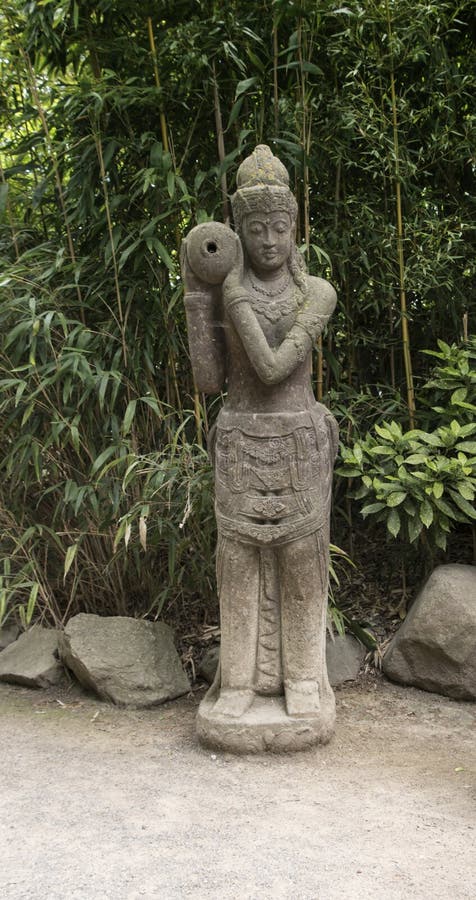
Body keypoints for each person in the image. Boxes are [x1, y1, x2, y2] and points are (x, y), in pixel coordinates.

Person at [182, 145, 338, 726]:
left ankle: (301, 678)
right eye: (255, 228)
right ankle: (238, 684)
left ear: (294, 226)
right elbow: (207, 380)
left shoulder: (316, 292)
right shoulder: (226, 291)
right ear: (239, 232)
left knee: (302, 558)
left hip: (299, 438)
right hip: (240, 439)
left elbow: (274, 370)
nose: (269, 239)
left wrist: (236, 298)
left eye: (279, 226)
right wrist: (197, 294)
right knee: (238, 561)